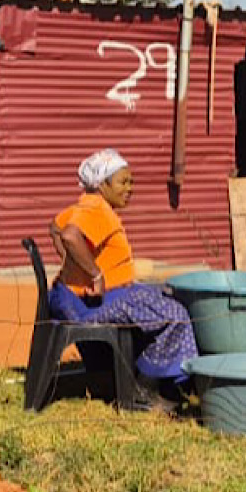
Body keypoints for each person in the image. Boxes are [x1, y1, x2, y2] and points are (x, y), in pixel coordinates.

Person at [49, 149, 198, 406]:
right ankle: (145, 388)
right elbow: (69, 235)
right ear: (102, 185)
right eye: (123, 182)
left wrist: (76, 265)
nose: (130, 188)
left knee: (160, 294)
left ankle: (143, 373)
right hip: (84, 306)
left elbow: (55, 227)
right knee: (176, 315)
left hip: (78, 299)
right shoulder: (96, 209)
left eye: (131, 182)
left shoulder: (88, 204)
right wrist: (95, 275)